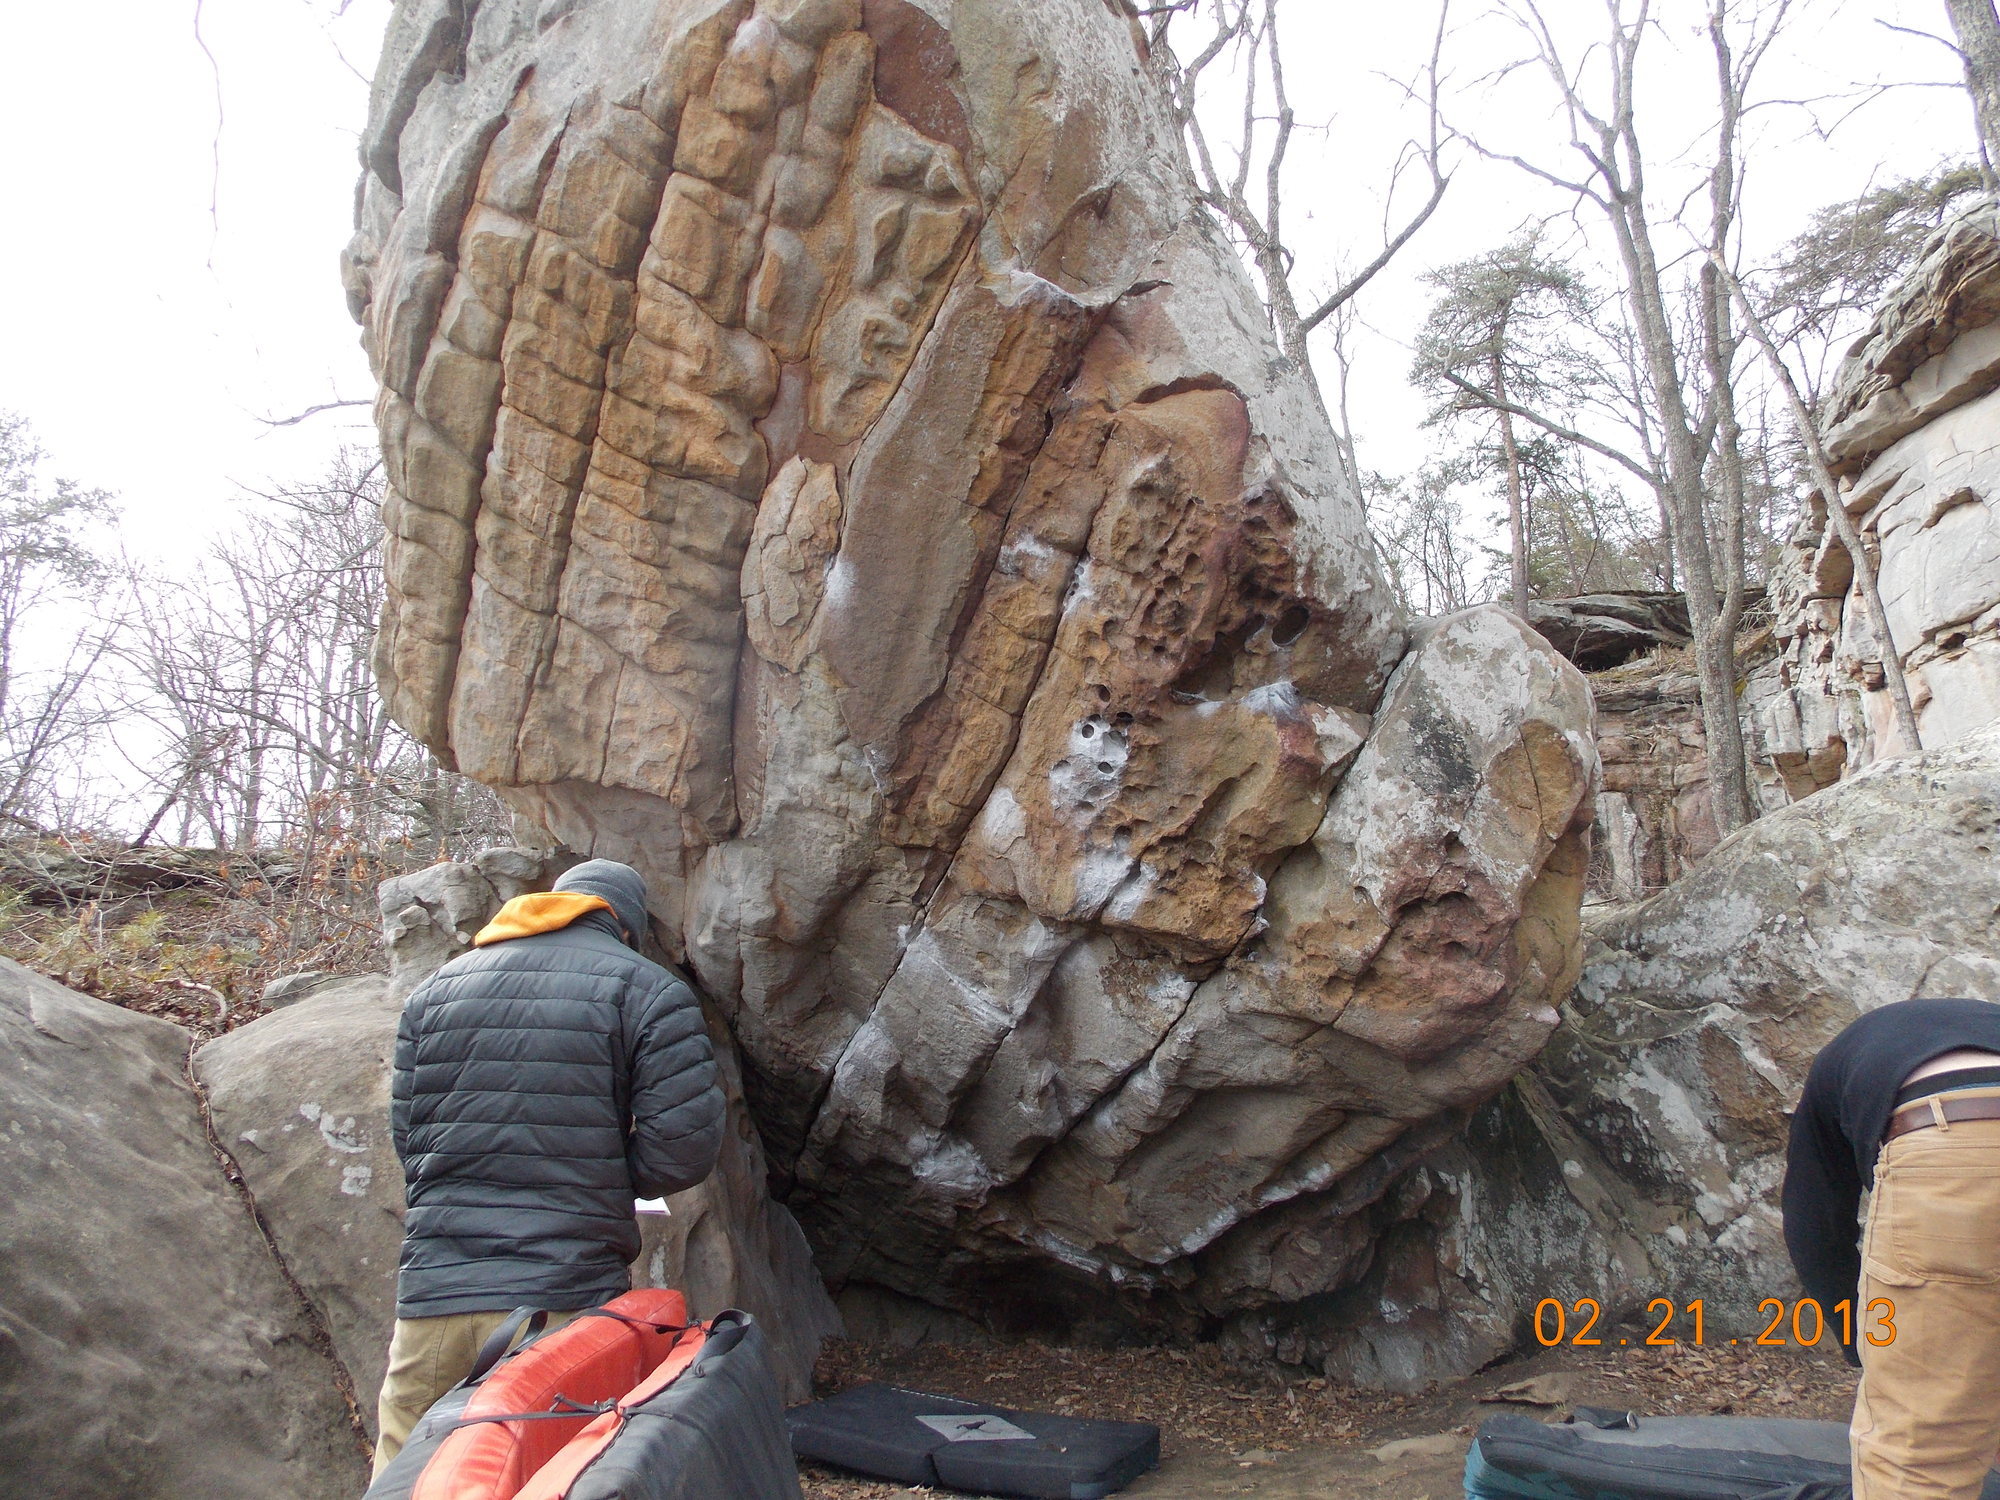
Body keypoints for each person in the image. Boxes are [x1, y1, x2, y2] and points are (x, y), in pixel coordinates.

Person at [372, 859, 726, 1476]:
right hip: (563, 1294)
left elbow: (412, 1141)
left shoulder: (434, 991)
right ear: (625, 925)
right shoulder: (647, 989)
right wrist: (602, 1180)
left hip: (435, 1291)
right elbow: (684, 1146)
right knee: (551, 1472)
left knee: (406, 1475)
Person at [1782, 996, 2000, 1500]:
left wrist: (1865, 1344)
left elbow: (1815, 1231)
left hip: (1952, 1139)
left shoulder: (1837, 1067)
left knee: (1920, 1458)